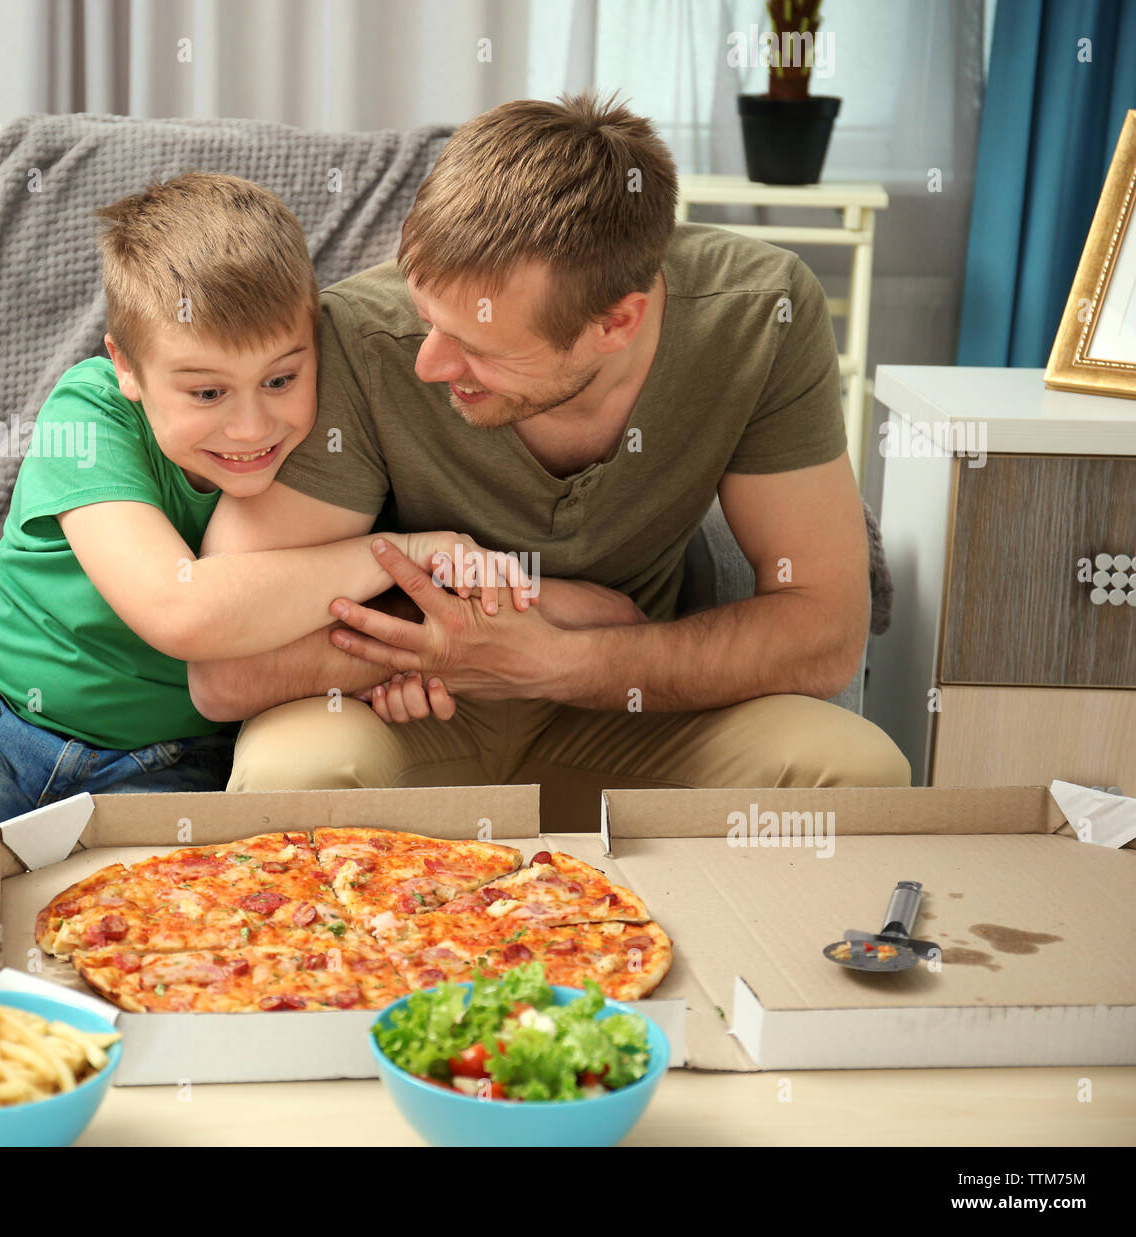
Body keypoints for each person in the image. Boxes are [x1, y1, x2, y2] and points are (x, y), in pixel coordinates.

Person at [187, 93, 912, 831]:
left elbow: (826, 630)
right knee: (293, 774)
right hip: (415, 714)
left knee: (858, 772)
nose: (431, 363)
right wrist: (443, 647)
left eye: (477, 346)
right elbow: (226, 669)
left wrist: (564, 662)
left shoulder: (763, 315)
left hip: (630, 706)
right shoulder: (358, 338)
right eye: (427, 317)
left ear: (615, 322)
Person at [0, 172, 485, 827]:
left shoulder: (337, 443)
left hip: (170, 760)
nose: (252, 428)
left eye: (281, 378)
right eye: (207, 393)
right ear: (128, 367)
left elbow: (342, 626)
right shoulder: (90, 412)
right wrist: (401, 554)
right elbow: (178, 607)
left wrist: (379, 678)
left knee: (180, 918)